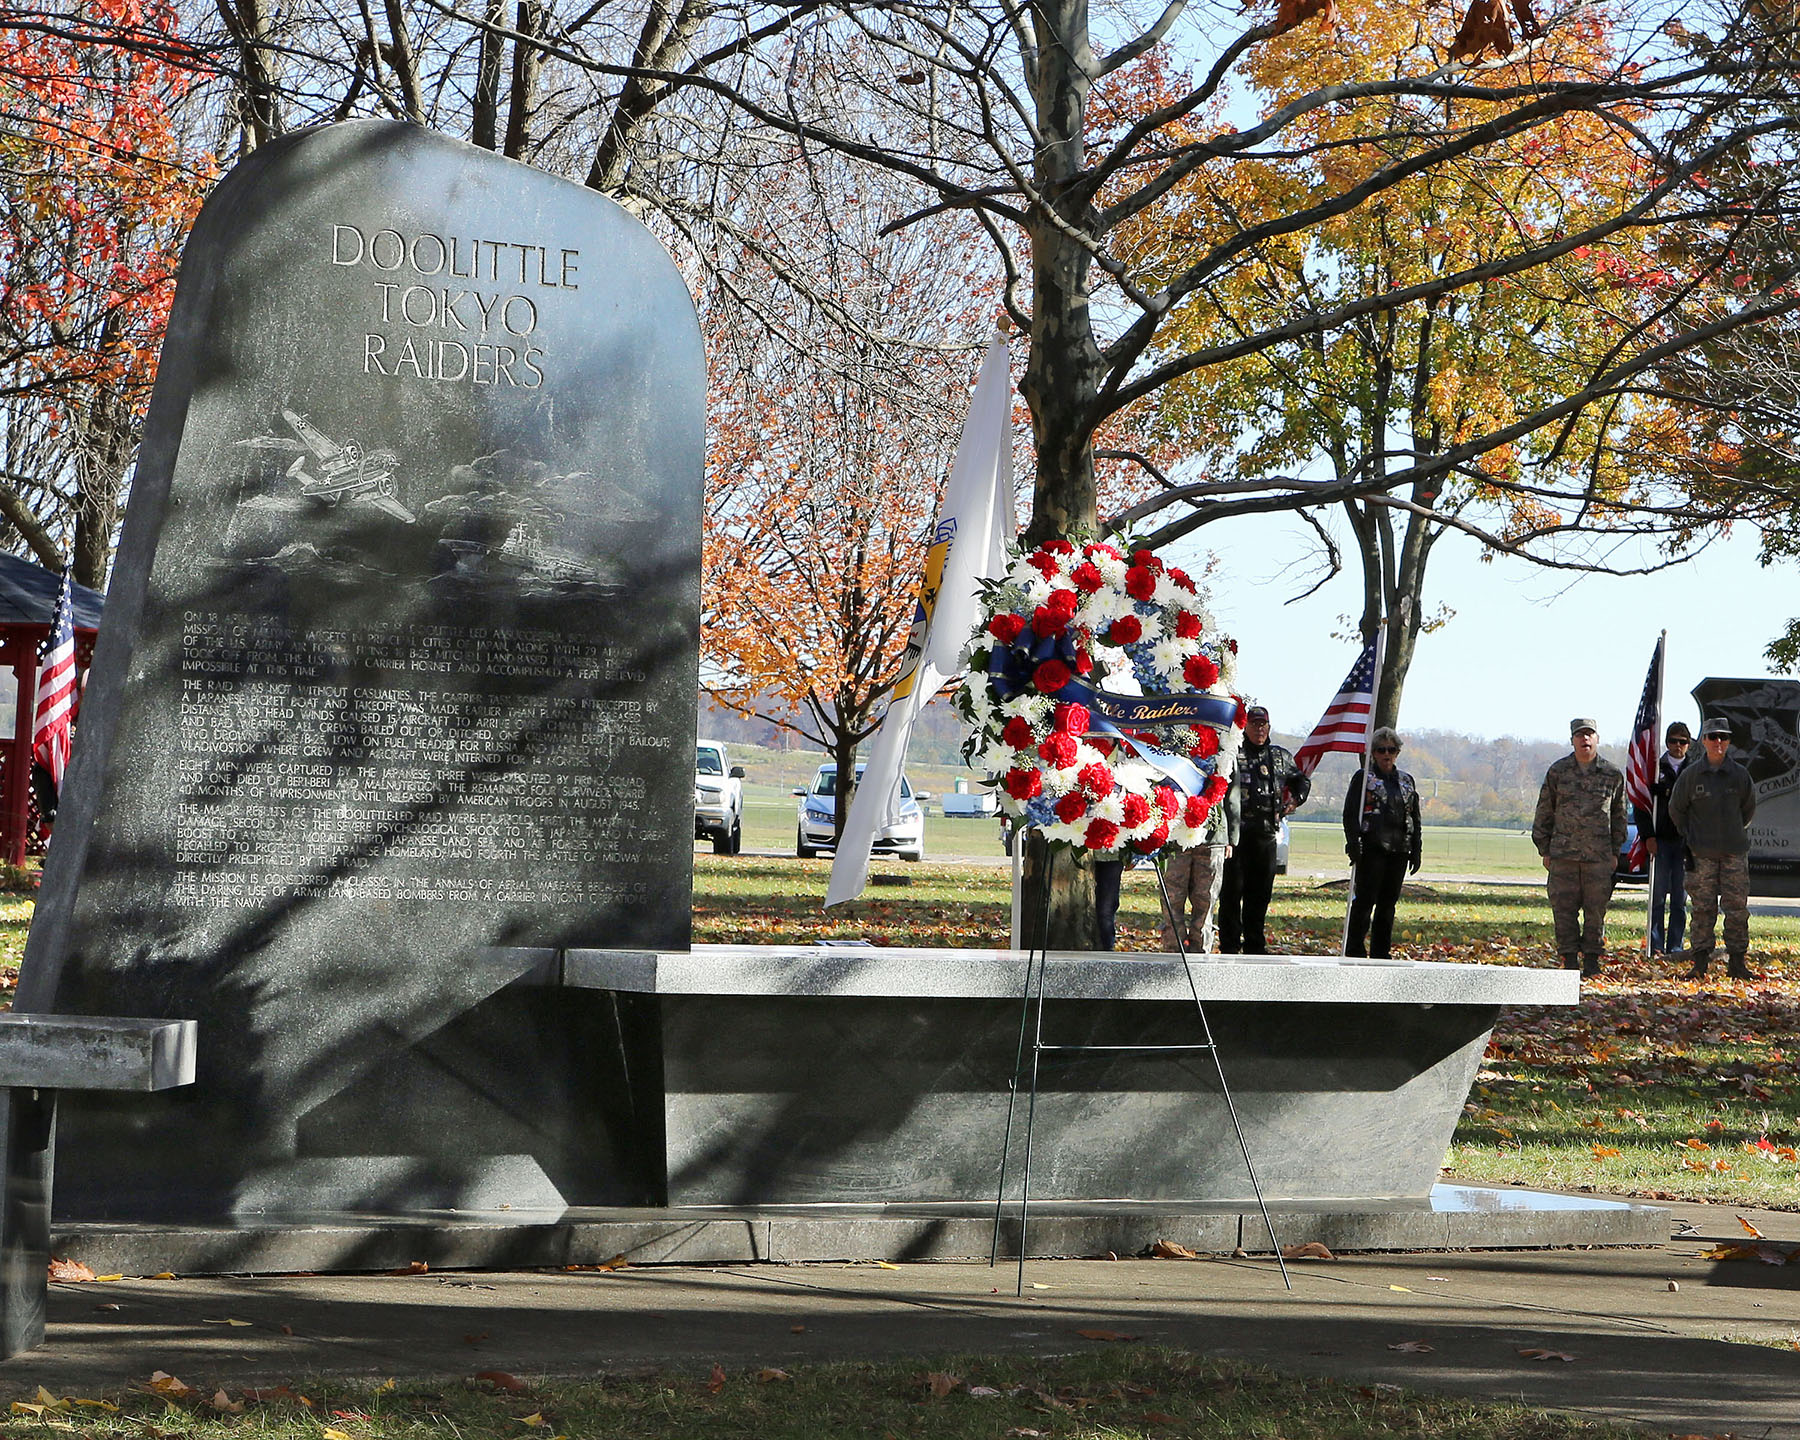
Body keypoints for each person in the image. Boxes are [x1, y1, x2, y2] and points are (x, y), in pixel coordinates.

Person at [1532, 717, 1627, 975]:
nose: (1585, 739)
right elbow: (1544, 812)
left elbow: (1619, 817)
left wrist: (1615, 852)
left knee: (1596, 912)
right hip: (1563, 856)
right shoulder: (1558, 772)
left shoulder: (1612, 775)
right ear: (1572, 740)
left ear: (1597, 738)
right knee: (1564, 911)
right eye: (1579, 735)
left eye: (1589, 734)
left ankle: (1592, 961)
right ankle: (1570, 960)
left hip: (1598, 858)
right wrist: (1544, 849)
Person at [1669, 716, 1758, 982]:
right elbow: (1677, 809)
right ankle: (1700, 962)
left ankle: (1737, 962)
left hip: (1733, 853)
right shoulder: (1691, 775)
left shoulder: (1740, 775)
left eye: (1723, 737)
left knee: (1737, 909)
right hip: (1701, 854)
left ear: (1729, 741)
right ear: (1704, 741)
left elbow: (1747, 810)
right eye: (1713, 737)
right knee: (1702, 909)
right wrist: (1692, 835)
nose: (1718, 741)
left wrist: (1731, 832)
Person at [1219, 705, 1310, 954]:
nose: (1259, 729)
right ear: (1245, 727)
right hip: (1237, 837)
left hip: (1266, 834)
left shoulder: (1279, 756)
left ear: (1268, 728)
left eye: (1263, 725)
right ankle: (1229, 946)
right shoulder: (1233, 753)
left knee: (1259, 896)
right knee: (1231, 894)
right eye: (1254, 724)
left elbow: (1301, 780)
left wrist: (1295, 800)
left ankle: (1255, 946)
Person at [1342, 727, 1423, 958]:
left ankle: (1381, 952)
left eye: (1391, 750)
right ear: (1373, 753)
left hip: (1399, 850)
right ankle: (1354, 950)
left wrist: (1416, 849)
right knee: (1365, 901)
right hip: (1372, 848)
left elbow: (1414, 816)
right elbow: (1350, 813)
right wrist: (1353, 842)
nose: (1386, 754)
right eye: (1381, 750)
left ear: (1397, 752)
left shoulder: (1406, 781)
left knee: (1388, 904)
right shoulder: (1363, 778)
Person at [1159, 782, 1239, 955]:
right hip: (1175, 833)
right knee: (1172, 900)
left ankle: (1201, 953)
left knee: (1206, 900)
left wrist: (1231, 837)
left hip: (1212, 835)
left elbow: (1232, 793)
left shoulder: (1224, 760)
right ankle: (1174, 951)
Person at [1635, 721, 1692, 959]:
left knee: (1679, 899)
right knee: (1657, 898)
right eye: (1673, 741)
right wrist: (1648, 836)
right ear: (1666, 742)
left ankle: (1675, 946)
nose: (1677, 746)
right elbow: (1641, 806)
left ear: (1688, 744)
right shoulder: (1655, 769)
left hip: (1685, 843)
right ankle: (1656, 945)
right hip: (1660, 841)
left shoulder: (1694, 770)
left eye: (1682, 742)